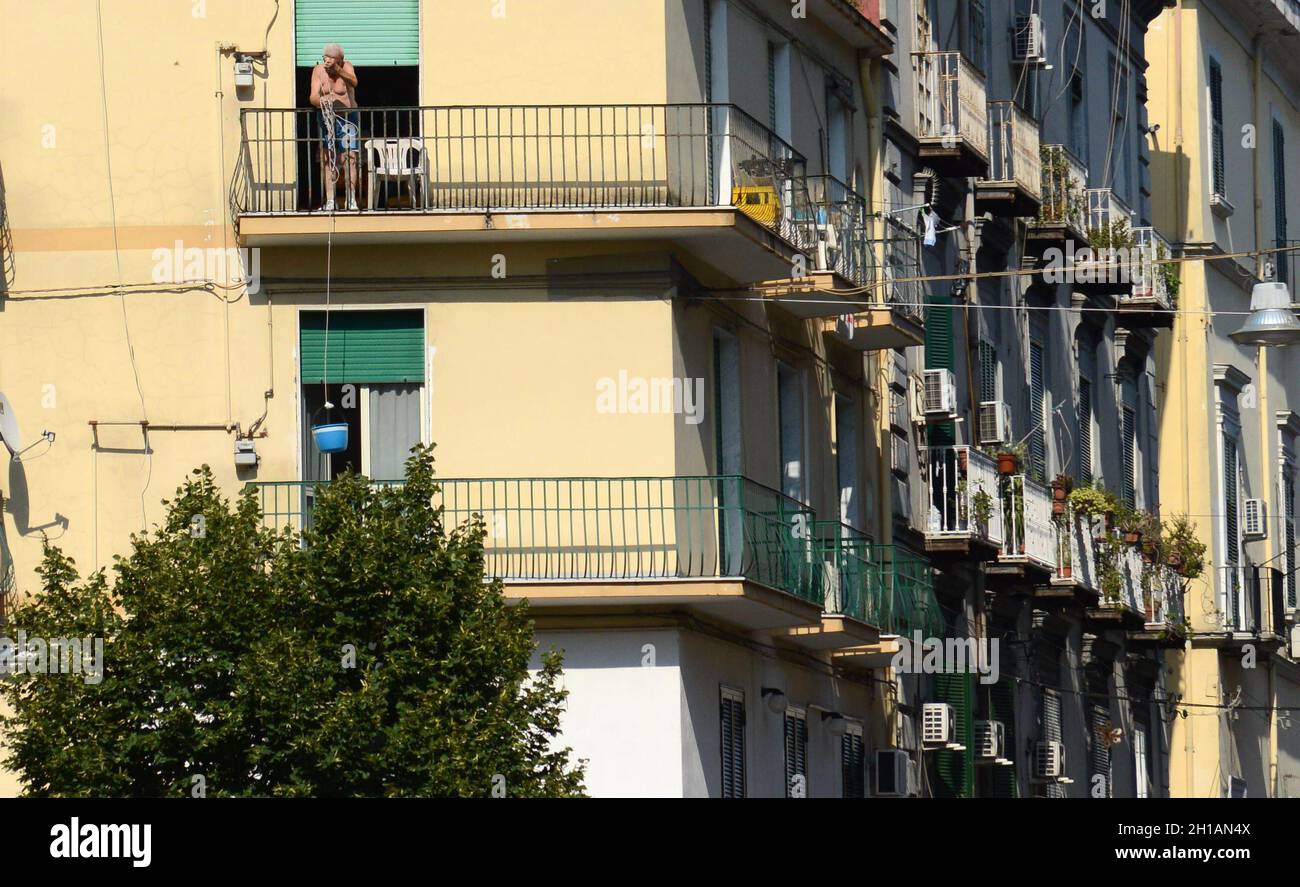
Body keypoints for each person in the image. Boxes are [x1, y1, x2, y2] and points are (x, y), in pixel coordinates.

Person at [309, 44, 359, 212]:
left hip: (347, 119)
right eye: (326, 59)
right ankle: (331, 200)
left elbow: (354, 82)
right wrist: (321, 101)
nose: (328, 63)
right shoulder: (318, 70)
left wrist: (338, 70)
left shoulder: (347, 67)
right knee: (328, 158)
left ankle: (351, 198)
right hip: (327, 119)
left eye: (333, 60)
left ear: (340, 60)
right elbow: (313, 96)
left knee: (349, 157)